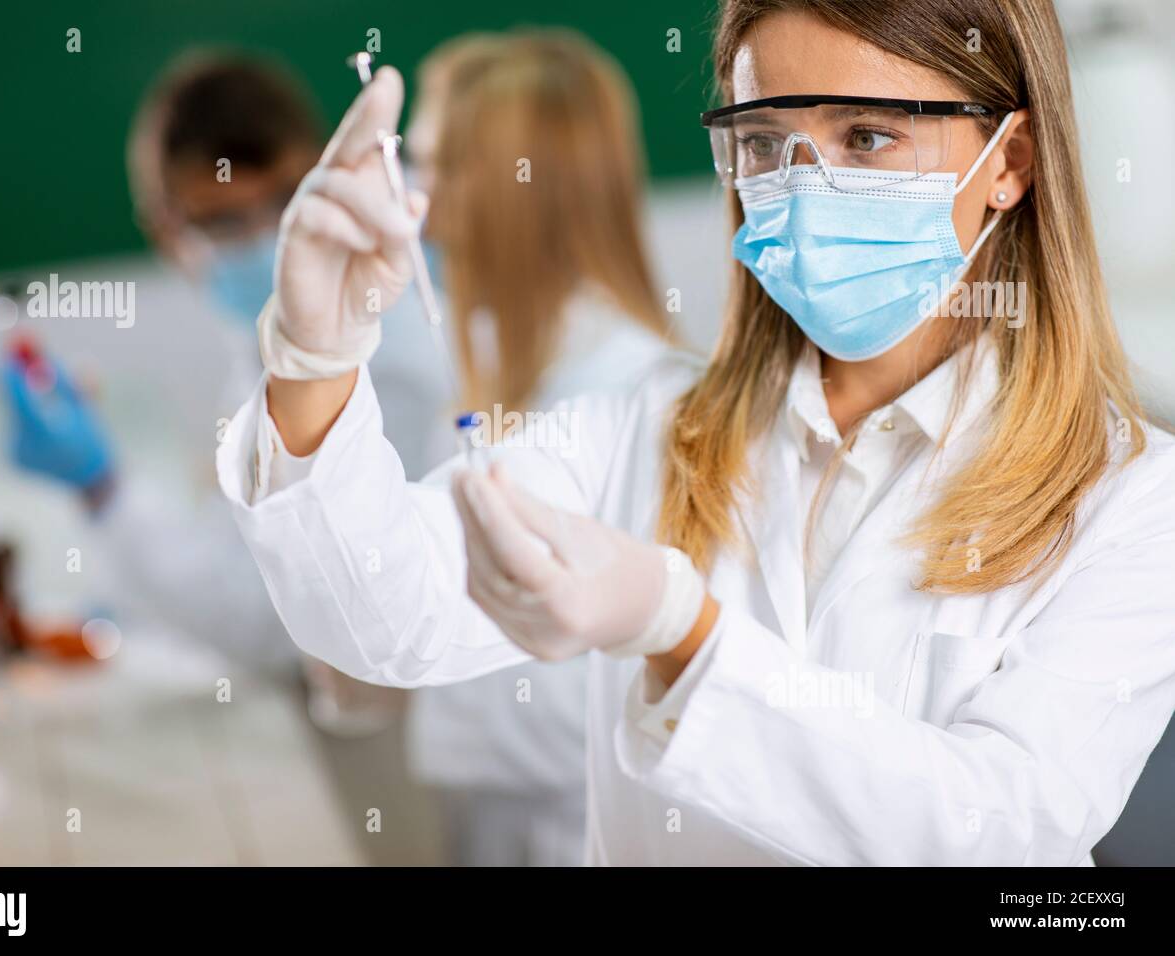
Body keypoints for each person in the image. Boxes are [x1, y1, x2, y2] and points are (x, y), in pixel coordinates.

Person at [218, 0, 1175, 866]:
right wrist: (314, 357)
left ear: (1008, 162)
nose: (806, 189)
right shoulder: (641, 425)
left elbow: (1004, 824)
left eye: (869, 136)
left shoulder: (1134, 498)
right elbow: (386, 621)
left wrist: (686, 637)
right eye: (765, 144)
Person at [0, 53, 450, 678]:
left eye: (288, 200)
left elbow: (274, 620)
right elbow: (247, 569)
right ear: (166, 231)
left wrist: (104, 489)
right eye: (228, 222)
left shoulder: (390, 345)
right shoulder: (261, 343)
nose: (272, 235)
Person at [400, 31, 675, 866]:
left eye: (431, 168)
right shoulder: (485, 384)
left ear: (514, 193)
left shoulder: (644, 397)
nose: (413, 206)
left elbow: (632, 707)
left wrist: (404, 670)